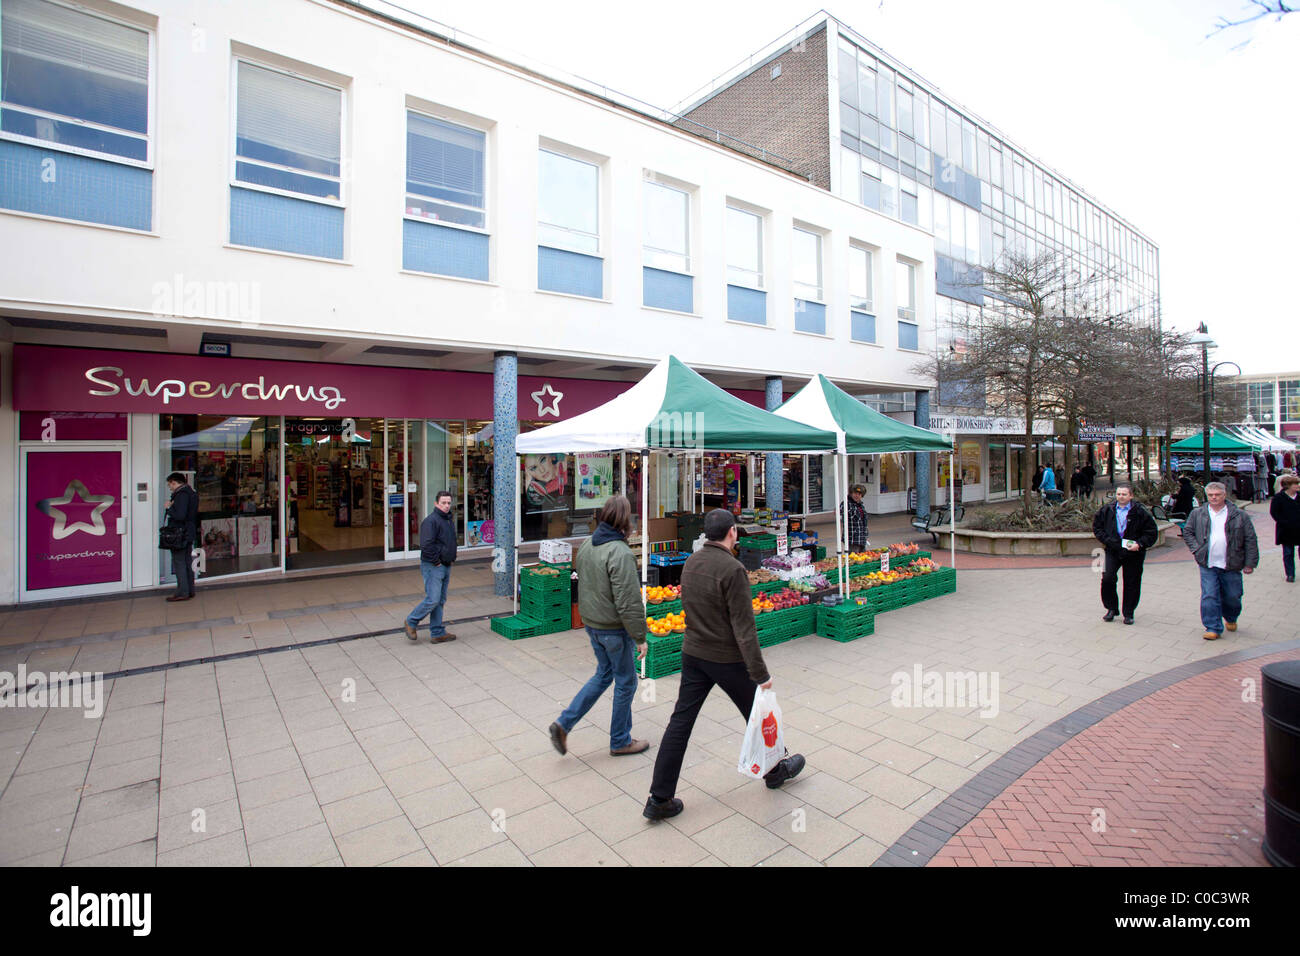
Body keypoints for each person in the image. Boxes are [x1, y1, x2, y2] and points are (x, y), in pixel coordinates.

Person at [643, 509, 805, 820]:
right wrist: (761, 674)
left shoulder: (691, 562)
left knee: (680, 723)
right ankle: (775, 771)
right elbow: (744, 629)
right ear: (732, 532)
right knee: (757, 715)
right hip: (726, 658)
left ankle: (659, 798)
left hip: (693, 653)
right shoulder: (733, 570)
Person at [549, 496, 649, 757]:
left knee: (604, 674)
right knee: (626, 682)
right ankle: (620, 740)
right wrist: (640, 636)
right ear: (624, 521)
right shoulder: (620, 552)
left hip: (592, 624)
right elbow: (628, 600)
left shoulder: (587, 545)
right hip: (613, 629)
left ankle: (564, 723)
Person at [1182, 481, 1259, 641]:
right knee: (1209, 595)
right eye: (1210, 495)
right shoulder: (1198, 513)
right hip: (1207, 563)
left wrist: (1250, 563)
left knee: (1233, 596)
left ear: (1225, 495)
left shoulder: (1239, 515)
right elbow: (1188, 532)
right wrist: (1196, 549)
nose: (1214, 498)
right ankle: (1212, 627)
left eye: (1217, 495)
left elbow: (1250, 539)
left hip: (1232, 562)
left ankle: (1231, 617)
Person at [1091, 482, 1158, 625]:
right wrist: (1108, 541)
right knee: (1107, 578)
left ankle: (1129, 612)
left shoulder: (1140, 511)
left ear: (1131, 496)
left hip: (1133, 552)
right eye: (1119, 494)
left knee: (1131, 582)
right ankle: (1111, 608)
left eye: (1124, 494)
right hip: (1112, 549)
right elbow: (1097, 528)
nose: (1121, 497)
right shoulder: (1107, 510)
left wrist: (1139, 544)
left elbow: (1151, 532)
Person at [405, 491, 458, 644]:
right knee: (433, 599)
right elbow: (426, 545)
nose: (447, 506)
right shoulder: (431, 521)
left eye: (449, 503)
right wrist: (436, 562)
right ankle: (411, 621)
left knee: (440, 600)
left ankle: (437, 632)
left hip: (445, 564)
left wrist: (450, 559)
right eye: (443, 503)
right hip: (434, 566)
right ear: (436, 503)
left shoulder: (448, 519)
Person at [163, 472, 198, 602]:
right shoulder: (191, 493)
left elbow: (180, 515)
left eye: (170, 484)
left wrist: (169, 508)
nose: (170, 487)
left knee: (179, 562)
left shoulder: (181, 495)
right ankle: (189, 590)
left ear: (174, 482)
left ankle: (182, 591)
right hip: (188, 532)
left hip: (180, 533)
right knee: (187, 562)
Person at [1269, 474, 1300, 583]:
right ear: (1288, 486)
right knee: (1288, 553)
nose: (1297, 485)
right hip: (1286, 530)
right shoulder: (1278, 498)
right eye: (1295, 484)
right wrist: (1284, 522)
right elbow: (1274, 513)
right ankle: (1290, 574)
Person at [841, 483, 868, 552]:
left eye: (859, 494)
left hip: (861, 538)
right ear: (851, 494)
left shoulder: (860, 505)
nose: (857, 496)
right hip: (852, 539)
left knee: (862, 558)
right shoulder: (847, 503)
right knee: (854, 559)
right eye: (855, 493)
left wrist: (865, 536)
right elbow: (841, 511)